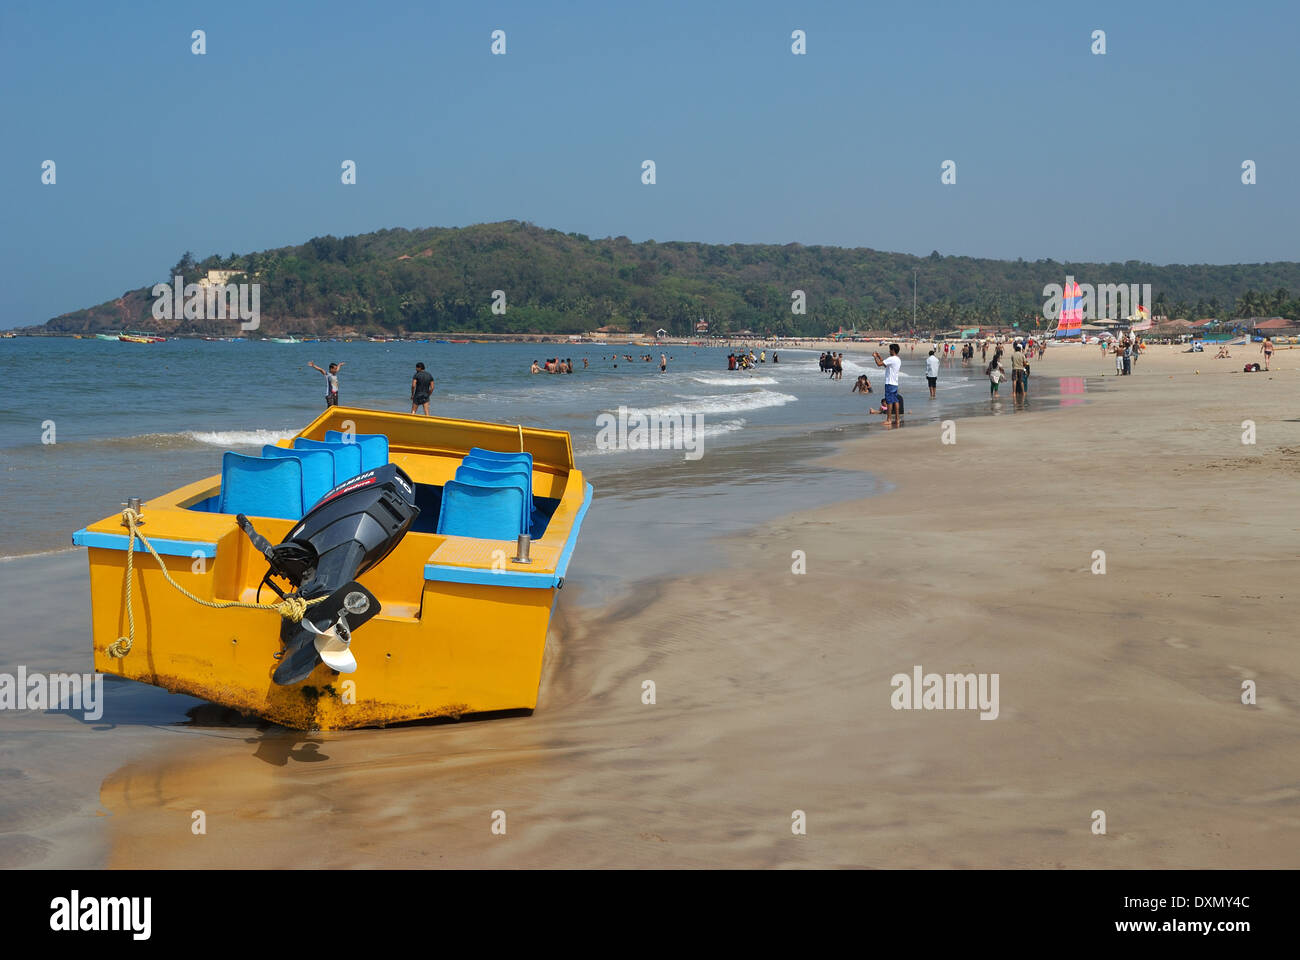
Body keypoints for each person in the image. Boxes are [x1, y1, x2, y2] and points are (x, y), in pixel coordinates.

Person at [873, 343, 902, 426]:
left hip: (889, 383)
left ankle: (889, 419)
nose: (889, 351)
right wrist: (879, 357)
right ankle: (897, 419)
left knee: (889, 401)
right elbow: (886, 365)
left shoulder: (892, 358)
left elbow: (879, 364)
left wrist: (875, 357)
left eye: (890, 349)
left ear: (893, 350)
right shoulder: (898, 359)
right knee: (895, 401)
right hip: (895, 383)